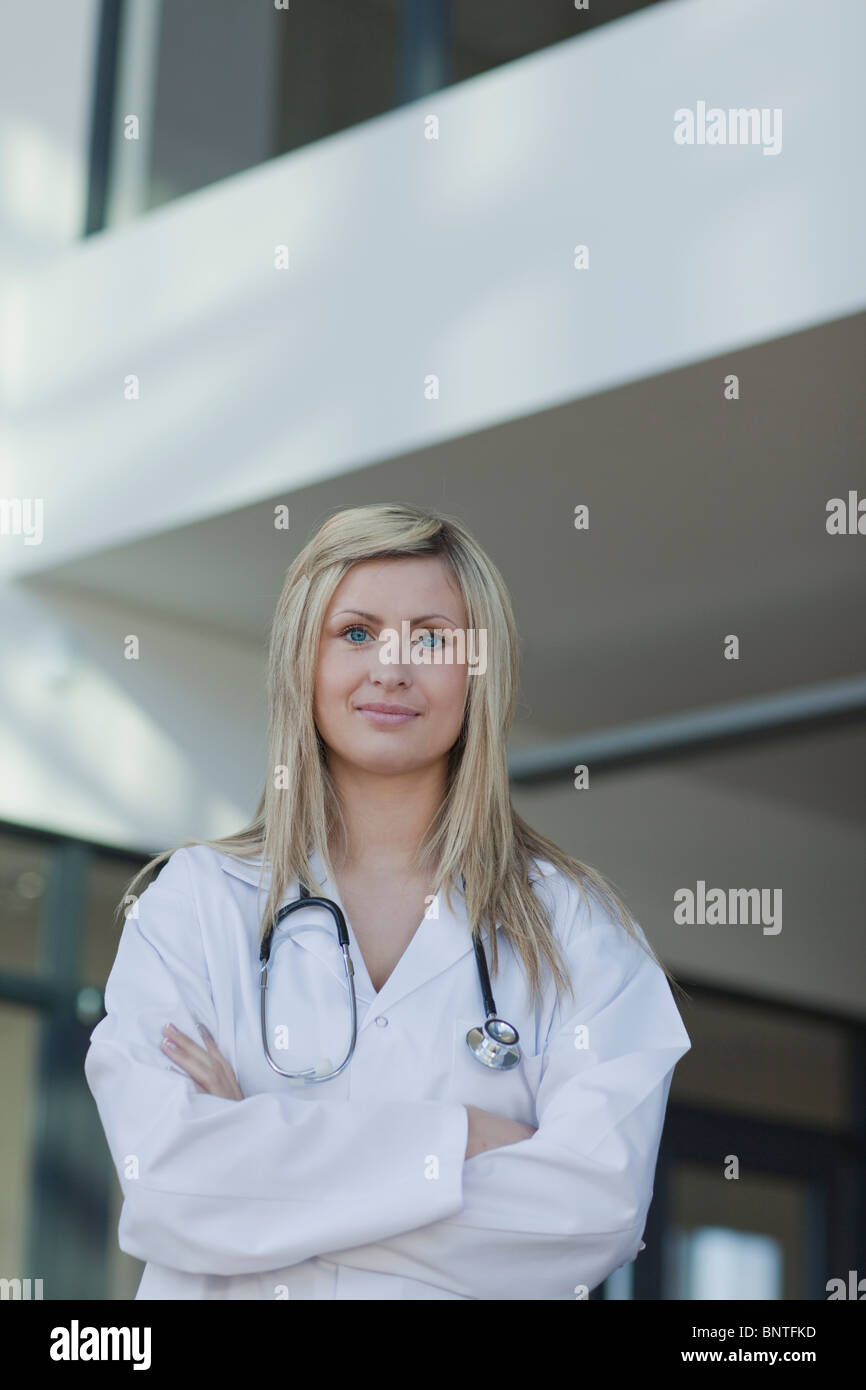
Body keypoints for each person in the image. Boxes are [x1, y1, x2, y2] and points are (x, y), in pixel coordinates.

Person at [84, 502, 691, 1300]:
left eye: (432, 638)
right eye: (357, 633)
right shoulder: (195, 905)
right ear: (304, 658)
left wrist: (252, 1173)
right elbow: (164, 1184)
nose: (392, 669)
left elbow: (592, 1213)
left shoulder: (575, 927)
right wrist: (467, 1139)